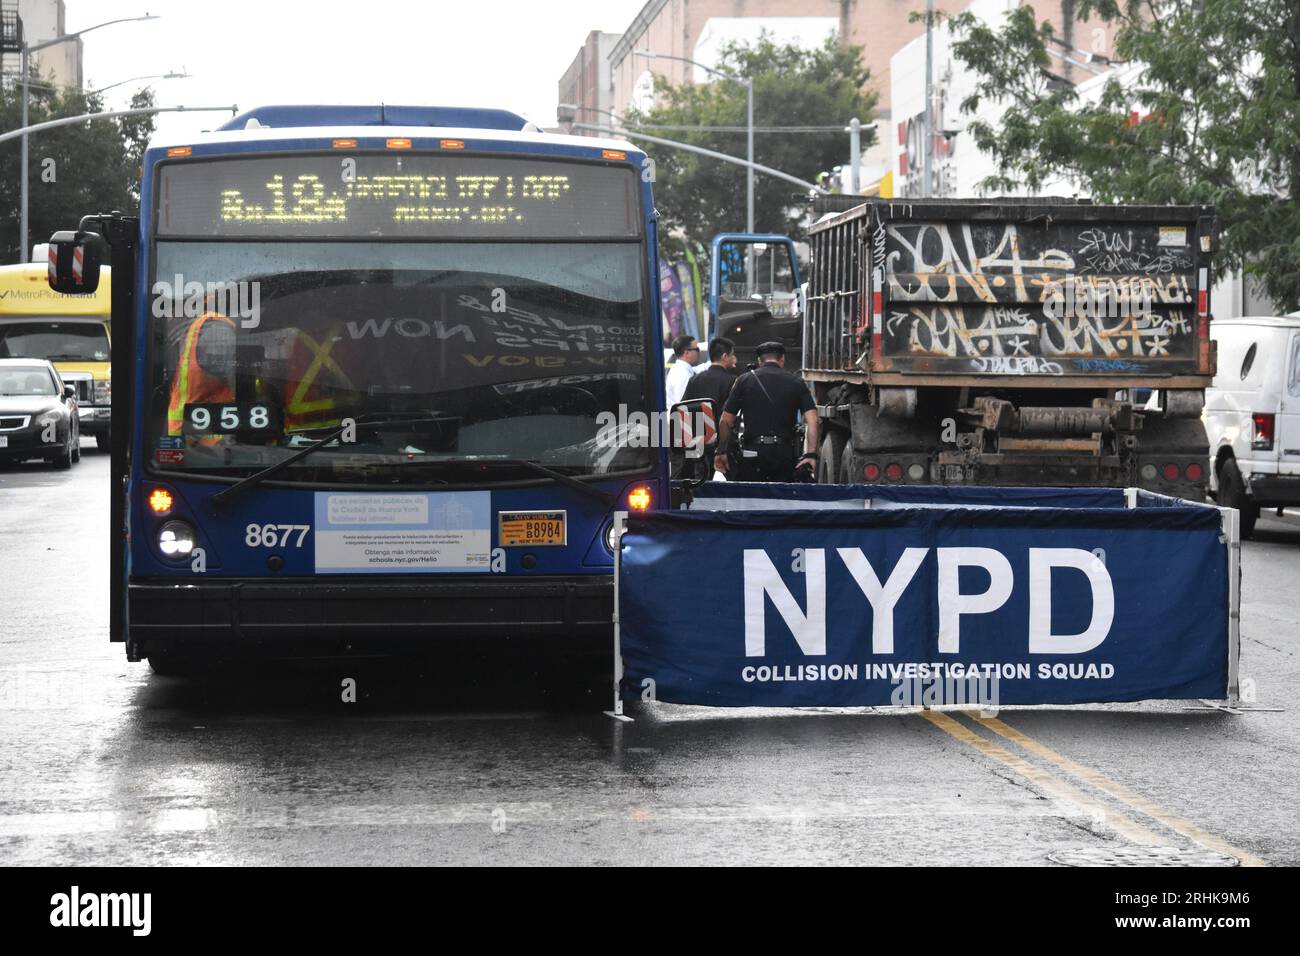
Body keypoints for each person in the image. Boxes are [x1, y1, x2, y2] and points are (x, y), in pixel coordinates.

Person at [715, 340, 819, 482]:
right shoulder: (796, 382)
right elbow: (813, 420)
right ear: (782, 359)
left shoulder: (744, 381)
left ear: (759, 360)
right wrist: (811, 455)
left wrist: (721, 451)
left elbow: (726, 420)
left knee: (753, 497)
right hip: (785, 454)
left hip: (752, 454)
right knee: (782, 498)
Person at [681, 337, 739, 475]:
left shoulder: (695, 379)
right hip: (722, 444)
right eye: (732, 355)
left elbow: (683, 410)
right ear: (725, 356)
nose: (734, 359)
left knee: (700, 485)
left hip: (697, 443)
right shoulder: (732, 381)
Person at [664, 333, 700, 409]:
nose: (699, 352)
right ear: (686, 353)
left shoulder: (680, 369)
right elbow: (683, 406)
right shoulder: (683, 376)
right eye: (697, 349)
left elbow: (699, 368)